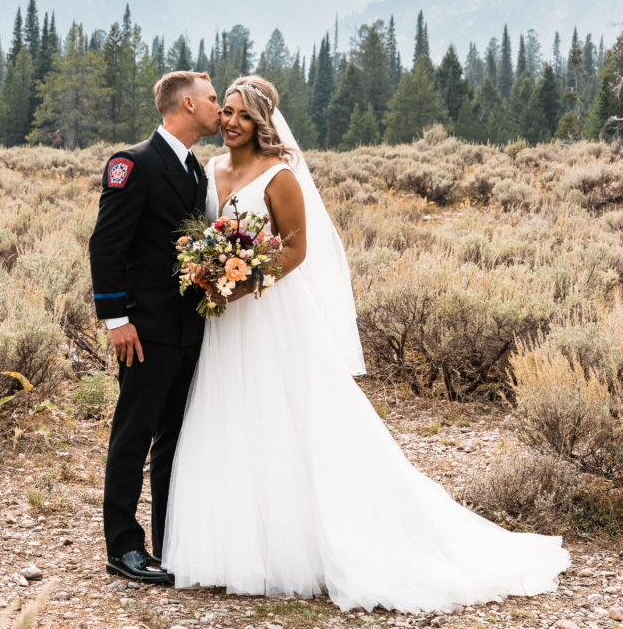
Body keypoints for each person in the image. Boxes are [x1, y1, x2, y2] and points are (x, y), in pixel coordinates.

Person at [162, 74, 570, 613]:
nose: (230, 121)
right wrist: (210, 275)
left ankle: (302, 547)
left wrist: (245, 282)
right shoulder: (211, 170)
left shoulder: (279, 176)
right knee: (231, 414)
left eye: (241, 114)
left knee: (289, 415)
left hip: (266, 312)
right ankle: (235, 547)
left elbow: (298, 248)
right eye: (226, 111)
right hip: (222, 320)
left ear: (261, 122)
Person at [89, 70, 221, 586]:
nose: (219, 110)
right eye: (213, 100)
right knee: (133, 436)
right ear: (187, 104)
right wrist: (115, 319)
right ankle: (123, 547)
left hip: (189, 330)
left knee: (173, 440)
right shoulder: (133, 164)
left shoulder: (195, 169)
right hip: (142, 331)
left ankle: (169, 540)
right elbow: (106, 245)